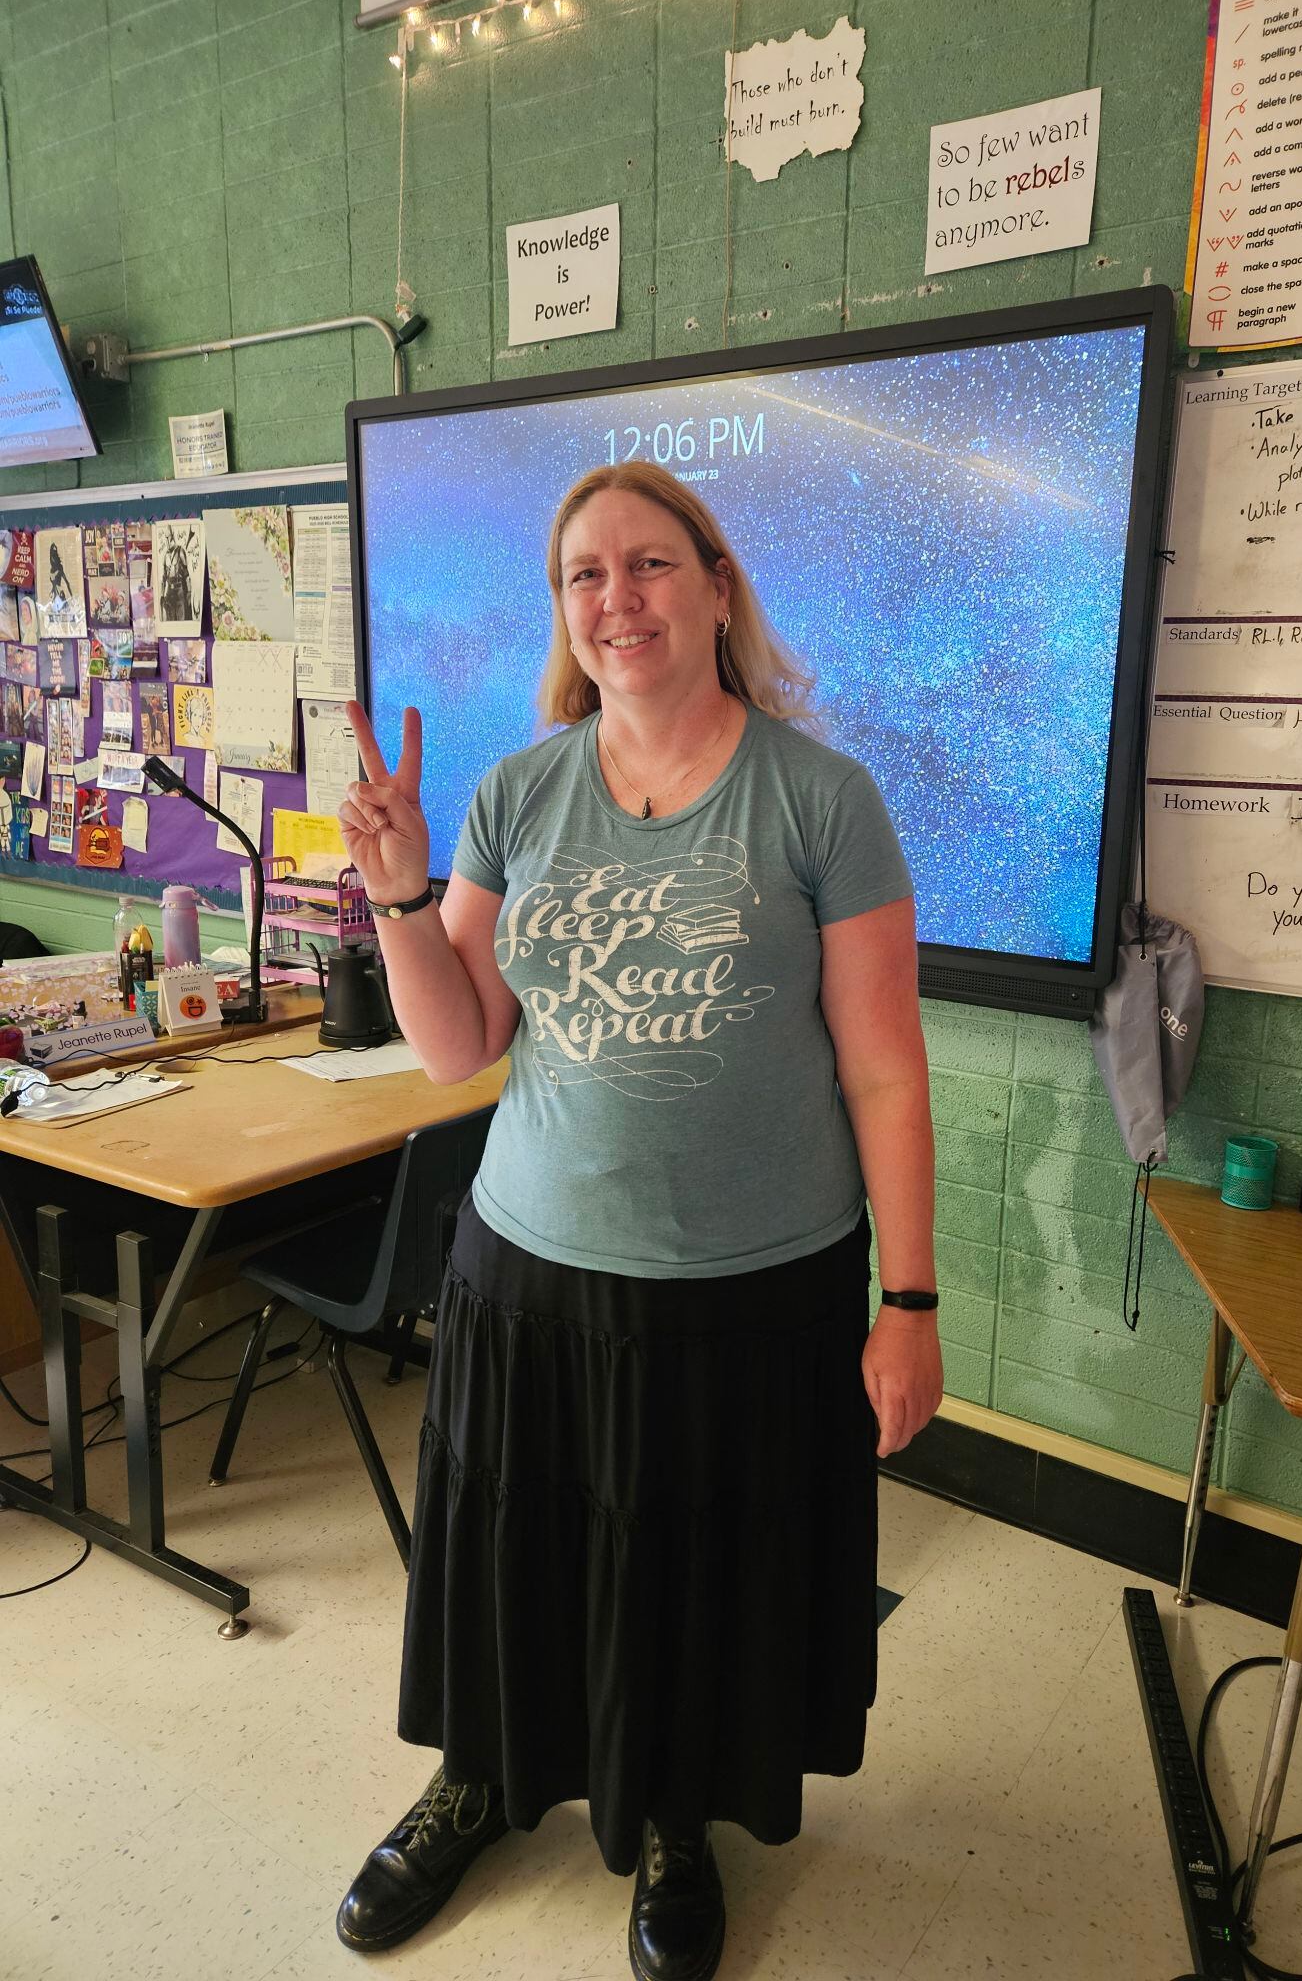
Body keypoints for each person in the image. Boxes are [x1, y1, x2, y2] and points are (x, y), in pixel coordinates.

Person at [334, 462, 942, 1977]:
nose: (620, 599)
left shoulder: (820, 797)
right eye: (586, 575)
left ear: (717, 587)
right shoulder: (517, 792)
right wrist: (404, 898)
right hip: (530, 1270)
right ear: (564, 612)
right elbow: (460, 1044)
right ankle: (479, 1778)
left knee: (697, 1563)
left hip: (758, 1287)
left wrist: (911, 1304)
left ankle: (676, 1809)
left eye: (652, 565)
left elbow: (884, 1070)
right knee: (507, 1549)